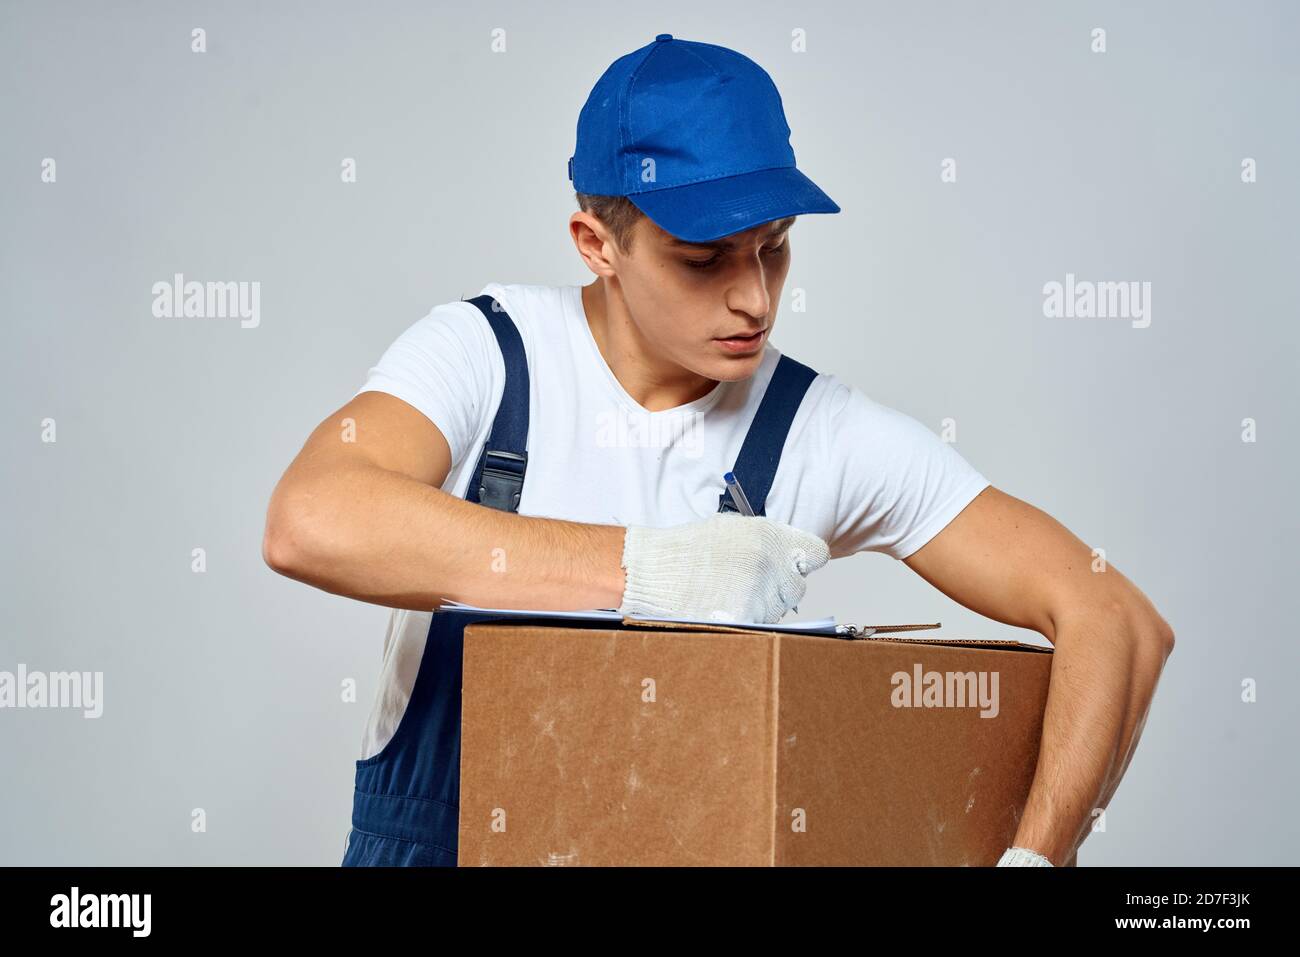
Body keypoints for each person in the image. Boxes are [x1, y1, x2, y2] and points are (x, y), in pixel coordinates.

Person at [262, 34, 1174, 868]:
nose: (755, 300)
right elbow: (311, 519)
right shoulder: (489, 357)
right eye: (704, 259)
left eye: (773, 249)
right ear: (596, 243)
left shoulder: (817, 430)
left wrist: (1036, 860)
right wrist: (656, 572)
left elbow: (1116, 618)